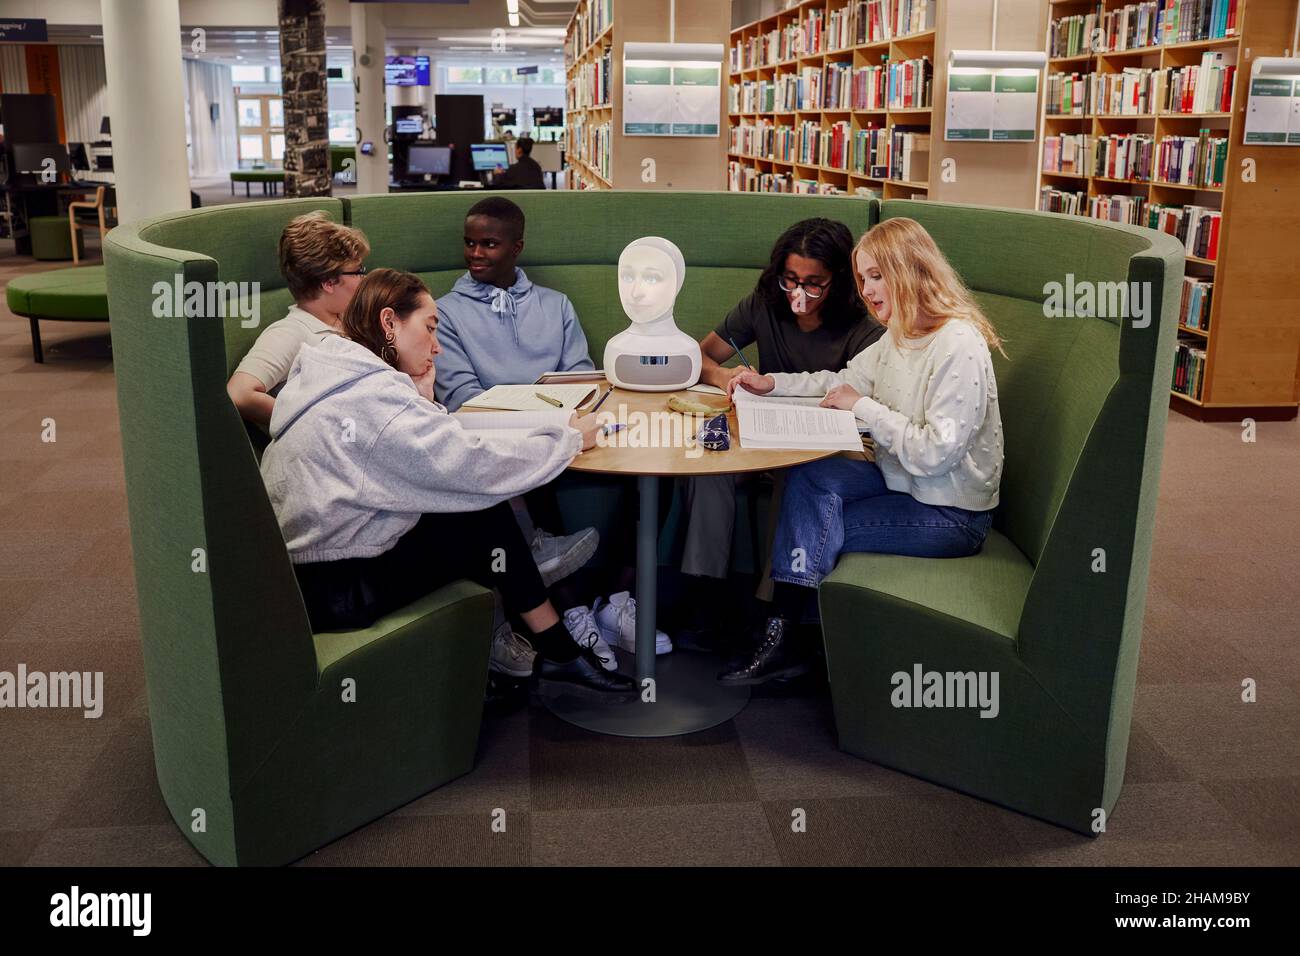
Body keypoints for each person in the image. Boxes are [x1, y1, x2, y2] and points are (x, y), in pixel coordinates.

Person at [259, 268, 634, 694]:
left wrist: (421, 399)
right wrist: (567, 442)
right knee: (481, 510)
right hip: (335, 591)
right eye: (430, 328)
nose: (436, 346)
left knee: (477, 516)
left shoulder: (335, 374)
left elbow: (425, 453)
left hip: (298, 578)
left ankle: (545, 634)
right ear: (389, 322)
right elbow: (467, 465)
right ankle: (554, 633)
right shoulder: (372, 399)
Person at [717, 217, 1005, 685]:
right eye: (862, 278)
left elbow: (935, 454)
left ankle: (792, 639)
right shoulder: (900, 332)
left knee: (816, 527)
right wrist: (771, 385)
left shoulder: (958, 345)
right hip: (900, 483)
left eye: (877, 276)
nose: (867, 291)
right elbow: (840, 381)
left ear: (909, 271)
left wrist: (866, 409)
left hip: (950, 513)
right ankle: (793, 636)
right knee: (811, 478)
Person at [676, 218, 885, 650]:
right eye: (791, 280)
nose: (798, 296)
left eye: (814, 284)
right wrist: (723, 376)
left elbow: (856, 398)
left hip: (822, 445)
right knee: (707, 465)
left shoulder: (865, 327)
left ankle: (771, 610)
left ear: (840, 282)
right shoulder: (764, 303)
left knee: (796, 475)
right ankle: (705, 593)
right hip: (759, 428)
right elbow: (698, 354)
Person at [434, 197, 621, 652]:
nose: (475, 253)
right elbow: (462, 398)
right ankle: (573, 614)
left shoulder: (556, 305)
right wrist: (543, 423)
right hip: (497, 438)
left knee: (642, 463)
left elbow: (580, 377)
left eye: (489, 244)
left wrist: (568, 417)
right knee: (528, 467)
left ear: (516, 248)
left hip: (560, 427)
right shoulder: (444, 313)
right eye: (469, 243)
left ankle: (616, 604)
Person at [227, 211, 370, 428]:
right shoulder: (291, 332)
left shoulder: (346, 320)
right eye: (357, 272)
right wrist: (316, 424)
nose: (363, 279)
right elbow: (239, 394)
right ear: (329, 282)